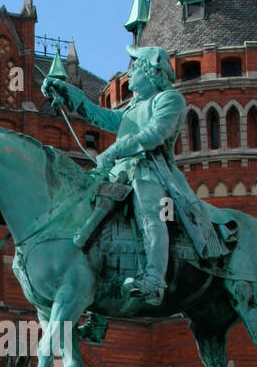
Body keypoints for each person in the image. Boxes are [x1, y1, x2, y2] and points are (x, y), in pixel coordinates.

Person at [43, 44, 234, 305]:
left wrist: (114, 150)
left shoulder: (169, 99)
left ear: (150, 72)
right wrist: (68, 93)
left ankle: (154, 280)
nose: (129, 74)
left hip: (150, 171)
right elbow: (101, 117)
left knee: (150, 214)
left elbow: (154, 134)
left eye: (135, 69)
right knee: (84, 212)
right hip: (118, 172)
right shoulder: (133, 107)